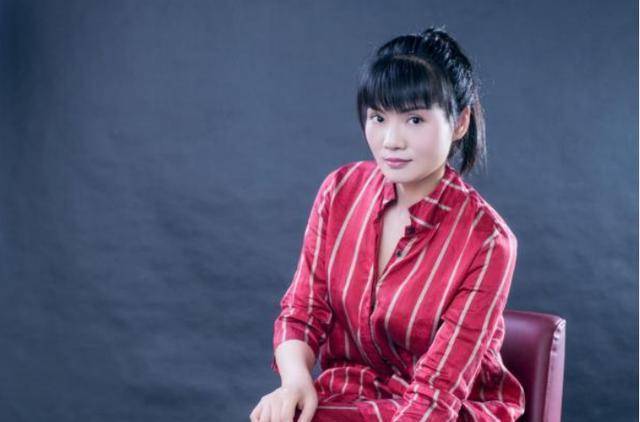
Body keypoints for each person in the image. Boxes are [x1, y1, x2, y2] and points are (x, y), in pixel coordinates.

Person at [250, 26, 526, 422]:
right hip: (352, 394)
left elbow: (435, 397)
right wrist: (294, 383)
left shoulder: (488, 241)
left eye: (414, 119)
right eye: (378, 117)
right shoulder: (340, 191)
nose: (391, 140)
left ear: (460, 122)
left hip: (444, 410)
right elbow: (303, 311)